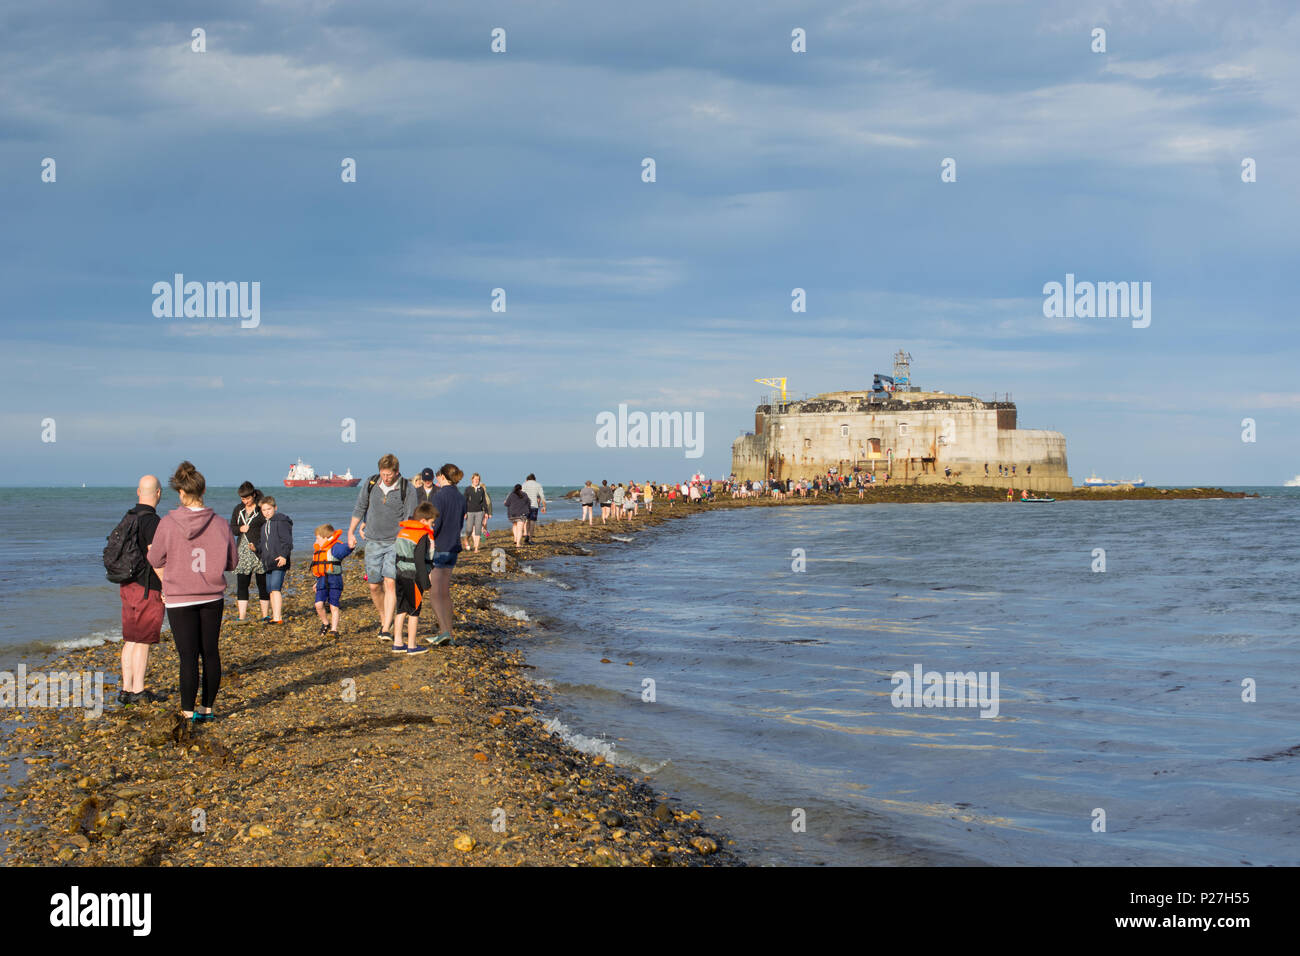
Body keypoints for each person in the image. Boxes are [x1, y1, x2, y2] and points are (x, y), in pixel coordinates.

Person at [146, 461, 236, 722]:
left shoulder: (168, 523)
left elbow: (154, 560)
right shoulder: (219, 523)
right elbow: (232, 563)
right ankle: (208, 709)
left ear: (181, 494)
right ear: (203, 490)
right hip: (211, 596)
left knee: (187, 657)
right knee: (210, 653)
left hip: (179, 598)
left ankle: (187, 711)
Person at [349, 454, 416, 642]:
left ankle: (386, 627)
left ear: (396, 471)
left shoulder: (406, 488)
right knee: (373, 586)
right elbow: (360, 507)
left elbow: (409, 518)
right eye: (383, 474)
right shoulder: (371, 483)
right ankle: (383, 617)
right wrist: (351, 532)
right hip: (372, 541)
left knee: (390, 582)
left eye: (389, 474)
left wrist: (407, 543)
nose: (386, 478)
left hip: (395, 542)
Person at [116, 475, 168, 705]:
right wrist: (168, 586)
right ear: (158, 493)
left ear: (138, 491)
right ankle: (138, 690)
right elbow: (155, 557)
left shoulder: (128, 517)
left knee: (131, 639)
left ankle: (126, 689)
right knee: (144, 640)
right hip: (147, 587)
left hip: (126, 584)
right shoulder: (152, 521)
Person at [426, 464, 467, 646]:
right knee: (445, 592)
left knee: (435, 592)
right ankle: (448, 631)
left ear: (442, 476)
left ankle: (444, 632)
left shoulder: (439, 496)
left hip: (440, 546)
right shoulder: (460, 496)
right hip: (453, 547)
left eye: (437, 475)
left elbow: (436, 523)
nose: (436, 479)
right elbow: (459, 523)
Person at [392, 503, 436, 655]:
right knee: (414, 611)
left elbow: (397, 555)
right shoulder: (422, 535)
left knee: (401, 609)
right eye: (431, 522)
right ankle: (411, 645)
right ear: (423, 521)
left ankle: (397, 643)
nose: (433, 525)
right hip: (413, 577)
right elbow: (419, 561)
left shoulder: (403, 532)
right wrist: (426, 583)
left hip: (400, 574)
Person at [229, 481, 269, 623]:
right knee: (242, 583)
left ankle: (265, 615)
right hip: (242, 551)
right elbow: (232, 527)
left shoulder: (261, 508)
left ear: (253, 495)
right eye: (242, 499)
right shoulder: (238, 509)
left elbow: (268, 525)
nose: (245, 501)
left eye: (247, 498)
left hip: (259, 550)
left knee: (262, 583)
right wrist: (240, 529)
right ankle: (242, 616)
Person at [311, 524, 355, 636]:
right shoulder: (320, 550)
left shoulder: (335, 548)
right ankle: (326, 623)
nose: (316, 541)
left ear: (326, 538)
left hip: (335, 580)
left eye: (318, 538)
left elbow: (347, 548)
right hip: (321, 580)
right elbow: (319, 568)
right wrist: (316, 582)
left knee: (333, 605)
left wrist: (352, 544)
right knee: (318, 605)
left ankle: (334, 630)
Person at [258, 496, 293, 623]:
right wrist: (256, 548)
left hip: (279, 560)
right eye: (264, 510)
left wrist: (284, 555)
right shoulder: (264, 525)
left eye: (269, 509)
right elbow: (263, 543)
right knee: (270, 590)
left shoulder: (281, 521)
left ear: (275, 508)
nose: (267, 512)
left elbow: (287, 541)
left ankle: (278, 617)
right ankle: (274, 616)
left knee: (275, 588)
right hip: (268, 562)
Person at [461, 473, 492, 551]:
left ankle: (476, 548)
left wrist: (487, 512)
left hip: (479, 512)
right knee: (469, 530)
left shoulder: (481, 489)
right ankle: (466, 539)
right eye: (475, 479)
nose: (476, 481)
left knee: (478, 529)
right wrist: (464, 512)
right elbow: (464, 501)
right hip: (469, 512)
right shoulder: (468, 489)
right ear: (472, 480)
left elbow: (484, 502)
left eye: (478, 479)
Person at [521, 473, 546, 543]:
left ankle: (526, 534)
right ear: (534, 479)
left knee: (526, 521)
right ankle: (530, 539)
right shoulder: (538, 485)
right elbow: (542, 496)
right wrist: (544, 506)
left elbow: (521, 495)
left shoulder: (524, 484)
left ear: (528, 479)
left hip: (525, 506)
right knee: (532, 522)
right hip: (534, 506)